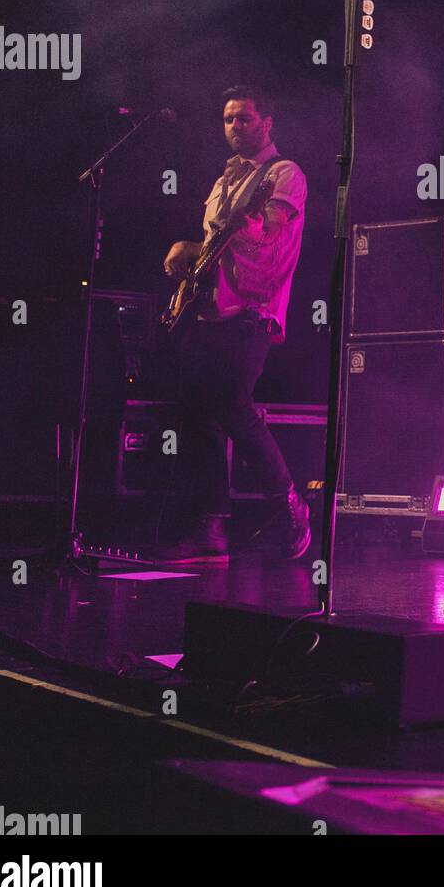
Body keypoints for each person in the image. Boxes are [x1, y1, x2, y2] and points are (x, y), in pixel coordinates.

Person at [155, 85, 311, 562]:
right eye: (227, 119)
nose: (235, 127)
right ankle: (211, 529)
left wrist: (194, 249)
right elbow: (215, 250)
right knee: (196, 414)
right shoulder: (224, 181)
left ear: (268, 122)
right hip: (208, 311)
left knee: (230, 403)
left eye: (244, 118)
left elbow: (266, 240)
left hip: (252, 312)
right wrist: (192, 268)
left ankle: (289, 503)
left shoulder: (283, 174)